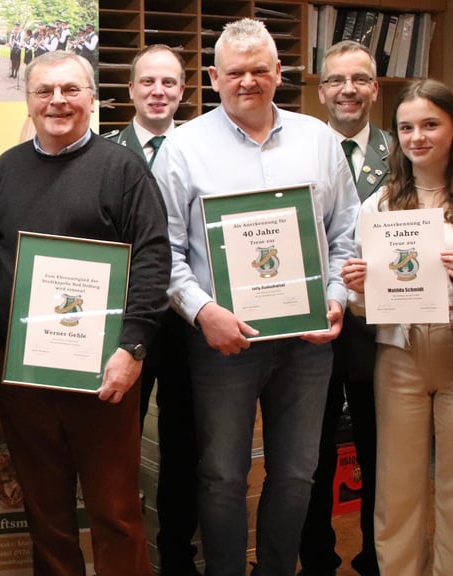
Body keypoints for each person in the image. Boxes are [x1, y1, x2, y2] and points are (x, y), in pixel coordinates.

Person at [152, 18, 358, 576]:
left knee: (297, 472)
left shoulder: (319, 140)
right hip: (223, 343)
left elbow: (346, 234)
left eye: (260, 70)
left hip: (308, 342)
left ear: (279, 73)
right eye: (236, 72)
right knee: (221, 473)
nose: (249, 81)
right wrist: (203, 311)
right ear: (214, 77)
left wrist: (335, 295)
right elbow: (164, 252)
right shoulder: (183, 147)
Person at [0, 51, 172, 576]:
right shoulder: (8, 171)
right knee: (47, 515)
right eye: (44, 91)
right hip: (26, 376)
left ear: (92, 98)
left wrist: (133, 347)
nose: (57, 101)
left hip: (104, 375)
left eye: (70, 90)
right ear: (29, 100)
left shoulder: (123, 170)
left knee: (115, 513)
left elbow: (153, 260)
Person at [341, 78, 453, 576]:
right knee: (396, 495)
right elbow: (361, 305)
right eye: (407, 127)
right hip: (401, 360)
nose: (417, 137)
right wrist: (357, 288)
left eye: (430, 124)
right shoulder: (380, 205)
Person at [103, 43, 201, 576]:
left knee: (185, 445)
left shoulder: (203, 148)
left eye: (169, 83)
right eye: (148, 82)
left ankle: (178, 553)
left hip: (190, 322)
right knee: (119, 444)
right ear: (131, 90)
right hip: (126, 322)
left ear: (183, 90)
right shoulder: (106, 151)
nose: (158, 92)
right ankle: (127, 554)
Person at [299, 40, 388, 576]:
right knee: (313, 451)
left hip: (382, 327)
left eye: (359, 79)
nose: (348, 90)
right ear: (321, 89)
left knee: (381, 449)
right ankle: (317, 557)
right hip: (315, 321)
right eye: (336, 80)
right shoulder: (301, 150)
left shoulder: (401, 153)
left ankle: (378, 556)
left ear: (375, 88)